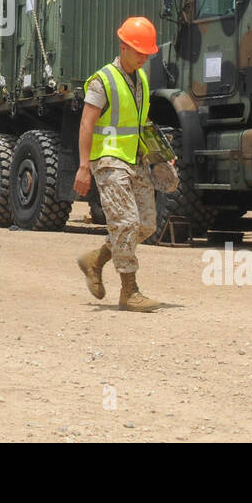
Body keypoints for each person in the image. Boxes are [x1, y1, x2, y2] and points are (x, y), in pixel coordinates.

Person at [73, 16, 170, 312]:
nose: (143, 58)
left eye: (146, 53)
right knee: (125, 223)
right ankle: (129, 292)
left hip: (134, 158)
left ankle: (97, 259)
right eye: (138, 51)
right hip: (108, 160)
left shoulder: (140, 79)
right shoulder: (102, 81)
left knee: (146, 224)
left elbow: (140, 123)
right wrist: (83, 166)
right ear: (123, 47)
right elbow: (87, 124)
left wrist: (160, 152)